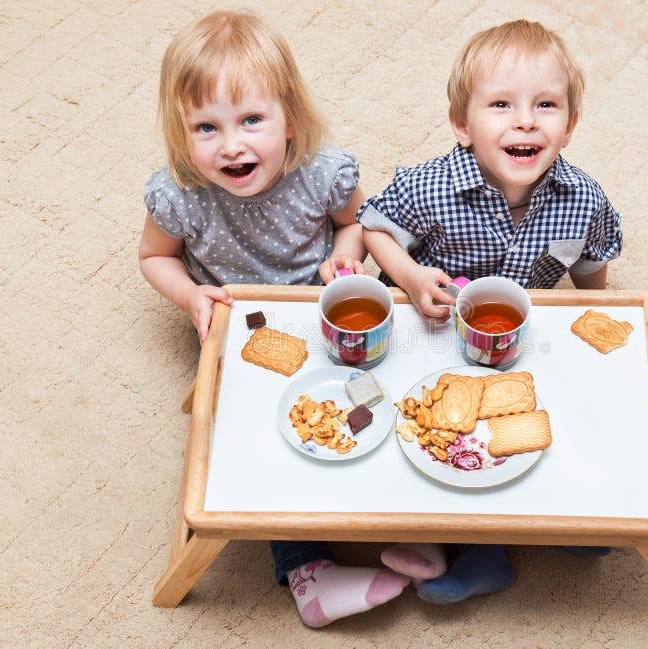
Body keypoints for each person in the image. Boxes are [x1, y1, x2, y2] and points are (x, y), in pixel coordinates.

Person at [138, 10, 409, 627]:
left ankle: (409, 510)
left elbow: (353, 224)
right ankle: (307, 572)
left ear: (290, 118)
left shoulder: (320, 172)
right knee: (264, 436)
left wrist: (345, 256)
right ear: (181, 134)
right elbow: (155, 257)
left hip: (324, 310)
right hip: (240, 325)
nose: (231, 145)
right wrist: (190, 297)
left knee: (380, 389)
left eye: (251, 120)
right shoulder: (178, 194)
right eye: (206, 127)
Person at [359, 19, 620, 603]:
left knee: (552, 419)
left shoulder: (585, 203)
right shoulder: (430, 187)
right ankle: (464, 547)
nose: (525, 121)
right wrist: (406, 274)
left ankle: (572, 515)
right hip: (431, 328)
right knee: (421, 435)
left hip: (518, 341)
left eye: (546, 105)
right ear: (462, 125)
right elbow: (372, 225)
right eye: (500, 105)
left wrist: (595, 331)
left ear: (570, 126)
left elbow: (593, 281)